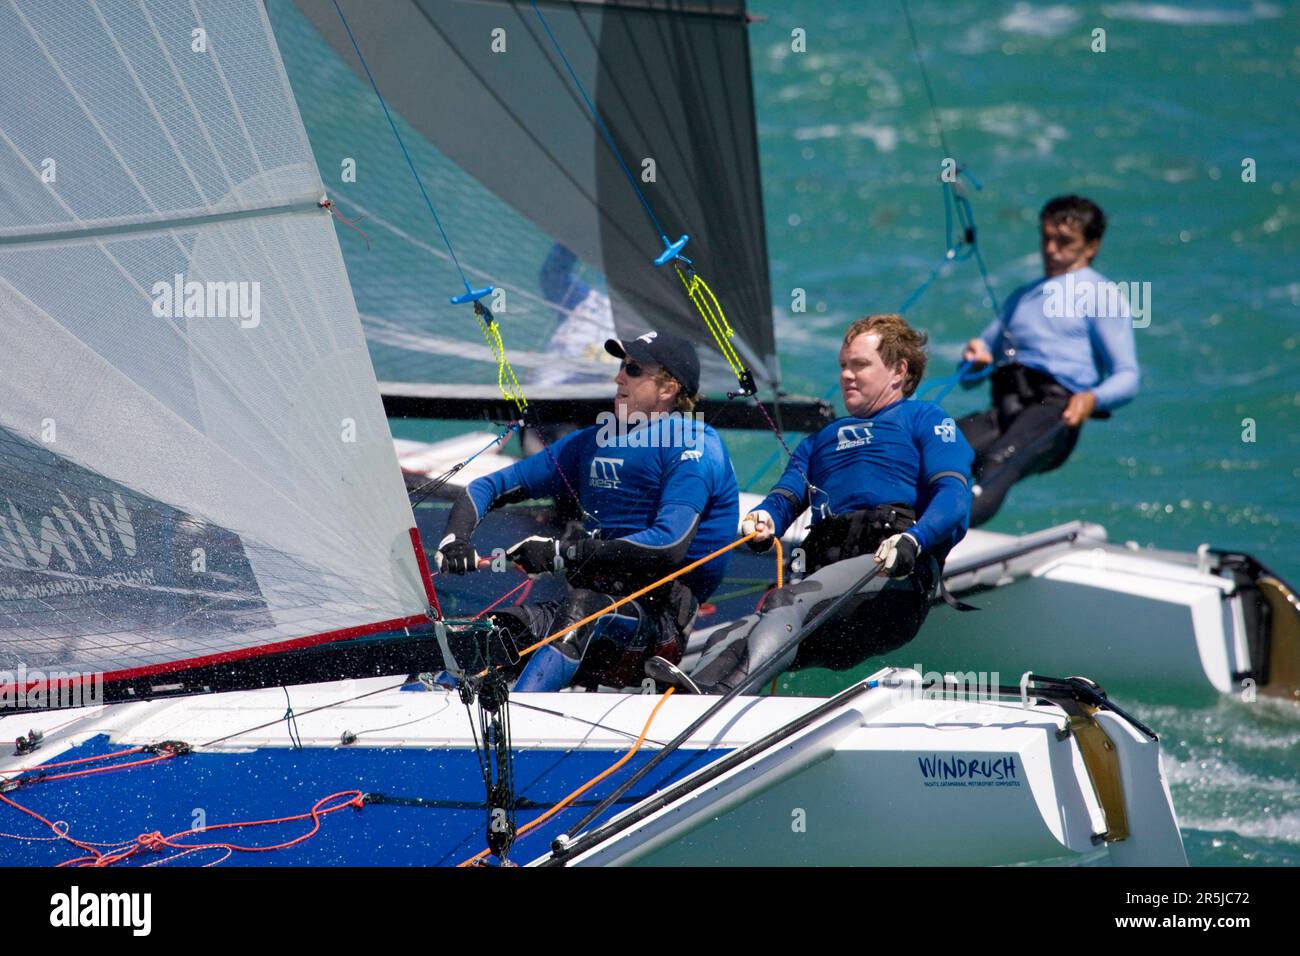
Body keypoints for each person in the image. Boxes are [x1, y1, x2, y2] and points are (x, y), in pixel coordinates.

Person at [649, 314, 973, 695]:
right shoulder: (820, 441)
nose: (847, 375)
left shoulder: (924, 418)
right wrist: (766, 518)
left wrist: (914, 540)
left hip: (889, 588)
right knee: (732, 633)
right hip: (827, 605)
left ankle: (721, 699)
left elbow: (955, 495)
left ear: (899, 371)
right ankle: (688, 706)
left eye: (860, 365)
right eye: (843, 366)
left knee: (784, 600)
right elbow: (785, 496)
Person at [437, 330, 739, 692]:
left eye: (633, 369)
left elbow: (668, 544)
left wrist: (562, 552)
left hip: (656, 626)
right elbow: (487, 486)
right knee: (497, 630)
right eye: (621, 367)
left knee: (584, 609)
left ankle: (520, 718)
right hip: (594, 611)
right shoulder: (593, 442)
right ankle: (425, 707)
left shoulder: (694, 444)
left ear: (668, 389)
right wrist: (457, 538)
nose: (618, 377)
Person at [959, 195, 1139, 526]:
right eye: (1046, 238)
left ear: (1091, 246)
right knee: (937, 448)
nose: (1051, 250)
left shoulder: (1101, 294)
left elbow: (1128, 375)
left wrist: (1092, 398)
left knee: (997, 463)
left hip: (1054, 410)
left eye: (1065, 242)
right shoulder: (1023, 296)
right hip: (1006, 408)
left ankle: (926, 544)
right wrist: (975, 358)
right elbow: (971, 374)